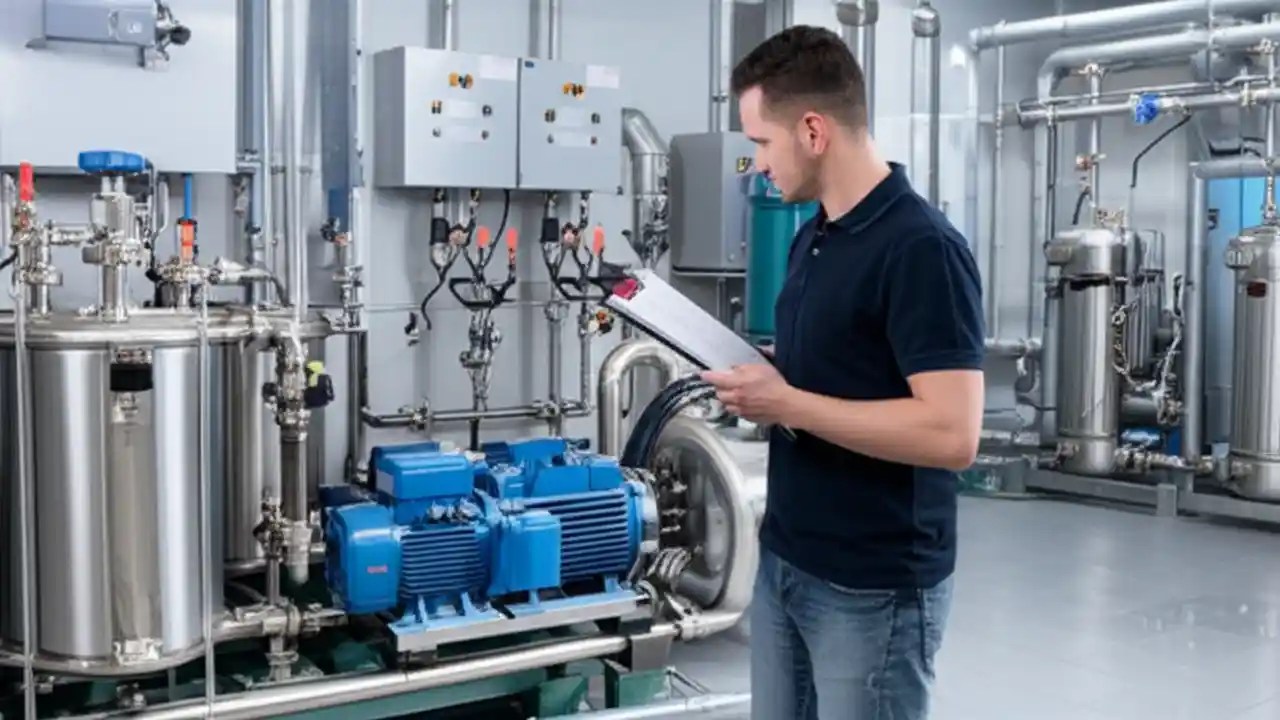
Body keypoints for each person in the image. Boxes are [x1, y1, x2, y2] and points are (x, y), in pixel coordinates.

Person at [700, 25, 986, 719]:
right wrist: (767, 379)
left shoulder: (921, 249)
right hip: (789, 561)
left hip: (872, 586)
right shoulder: (814, 236)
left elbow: (953, 435)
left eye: (762, 143)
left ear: (813, 130)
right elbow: (836, 373)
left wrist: (788, 402)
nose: (757, 164)